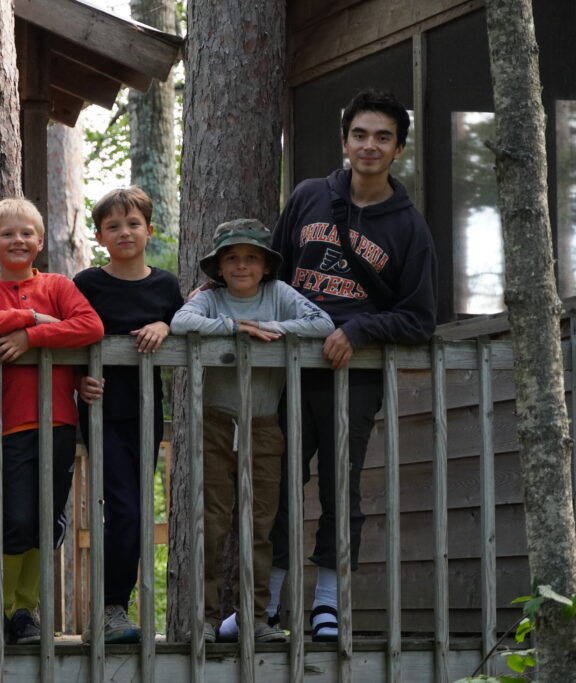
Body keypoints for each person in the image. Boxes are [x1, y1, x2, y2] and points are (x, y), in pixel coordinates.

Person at [268, 88, 437, 641]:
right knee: (277, 482)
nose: (370, 145)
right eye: (360, 134)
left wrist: (361, 328)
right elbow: (272, 274)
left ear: (398, 150)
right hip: (290, 368)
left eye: (383, 137)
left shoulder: (408, 227)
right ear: (345, 141)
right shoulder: (309, 197)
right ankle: (266, 603)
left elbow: (418, 317)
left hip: (353, 378)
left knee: (342, 487)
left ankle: (326, 604)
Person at [172, 219, 335, 643]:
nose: (241, 266)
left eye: (251, 258)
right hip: (215, 423)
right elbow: (181, 323)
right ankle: (205, 621)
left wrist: (276, 331)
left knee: (260, 525)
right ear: (219, 267)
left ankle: (255, 617)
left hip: (265, 426)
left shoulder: (278, 295)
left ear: (265, 266)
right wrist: (235, 328)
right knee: (212, 522)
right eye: (231, 258)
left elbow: (323, 324)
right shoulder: (211, 299)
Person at [0, 197, 104, 644]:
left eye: (26, 233)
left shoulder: (59, 285)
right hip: (8, 424)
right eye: (7, 234)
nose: (17, 240)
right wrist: (29, 317)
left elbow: (90, 326)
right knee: (15, 518)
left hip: (57, 421)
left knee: (44, 518)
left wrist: (29, 337)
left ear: (39, 241)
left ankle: (25, 613)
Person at [73, 186, 183, 643]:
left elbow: (187, 321)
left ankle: (114, 605)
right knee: (123, 507)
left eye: (133, 223)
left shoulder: (165, 285)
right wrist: (80, 377)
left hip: (145, 411)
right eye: (113, 226)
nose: (124, 232)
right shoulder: (86, 284)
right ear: (100, 236)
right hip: (100, 410)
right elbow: (70, 335)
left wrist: (165, 324)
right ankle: (111, 607)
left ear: (149, 230)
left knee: (134, 513)